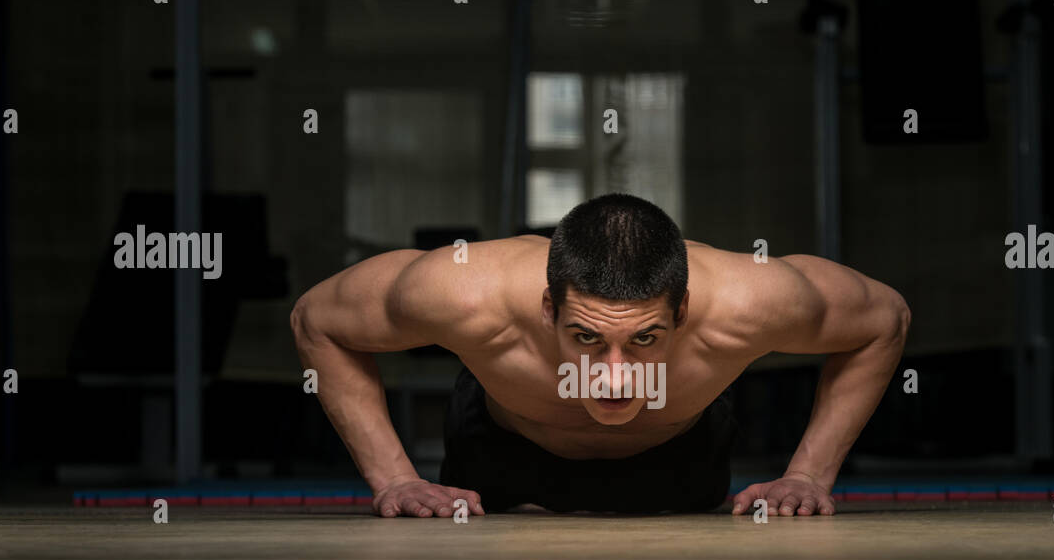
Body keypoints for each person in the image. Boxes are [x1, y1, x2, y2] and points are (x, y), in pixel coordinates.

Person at [291, 193, 910, 517]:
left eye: (644, 339)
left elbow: (885, 320)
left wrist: (807, 476)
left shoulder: (755, 297)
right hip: (499, 459)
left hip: (677, 465)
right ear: (547, 310)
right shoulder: (461, 292)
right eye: (586, 337)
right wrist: (395, 479)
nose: (613, 380)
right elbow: (317, 320)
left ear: (685, 312)